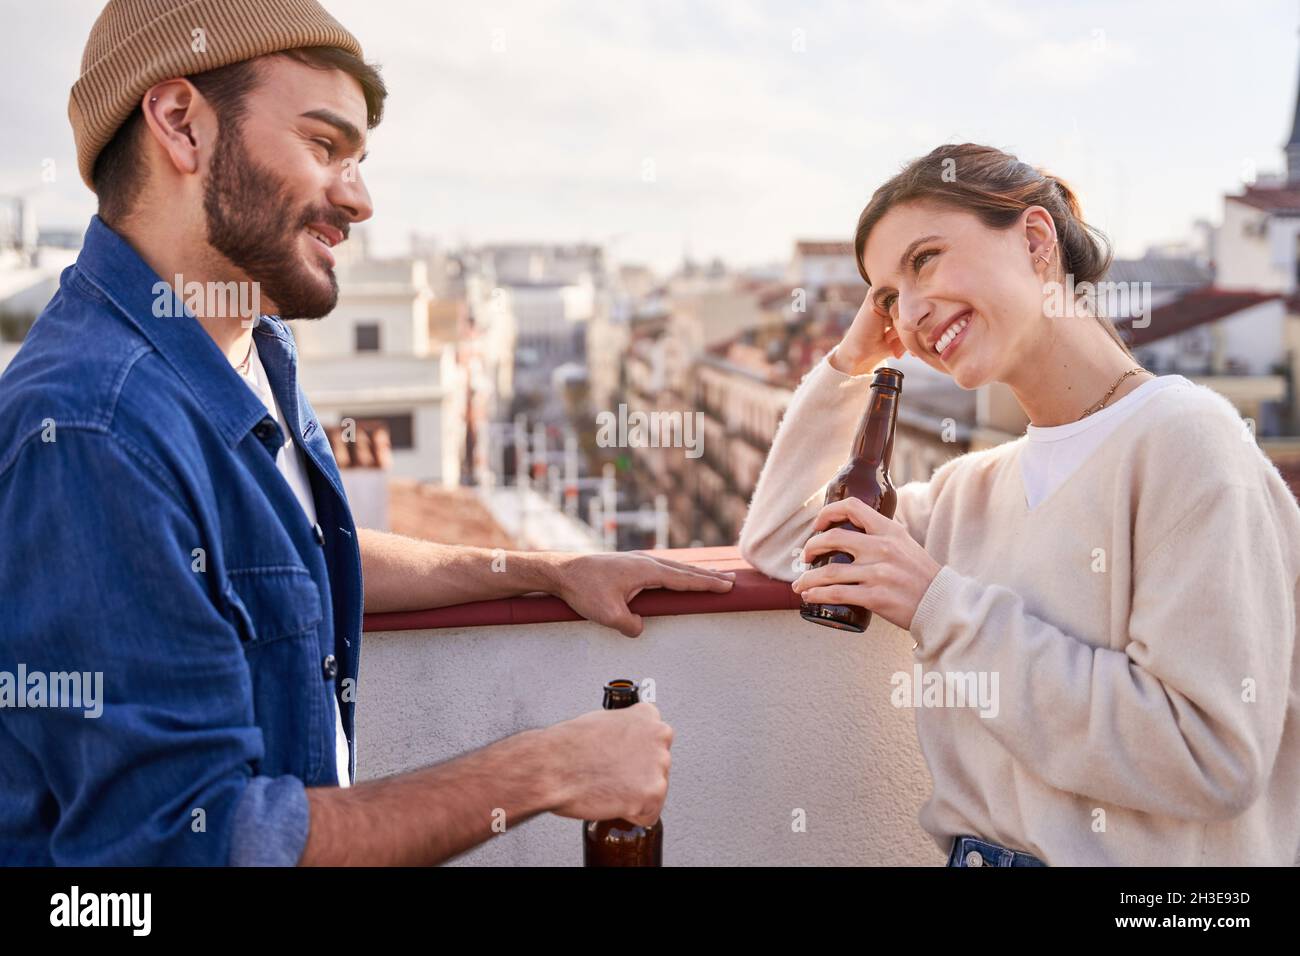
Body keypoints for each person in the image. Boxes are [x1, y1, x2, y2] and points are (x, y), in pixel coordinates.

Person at [0, 0, 735, 866]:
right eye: (323, 145)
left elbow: (286, 556)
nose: (359, 198)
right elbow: (180, 847)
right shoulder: (95, 429)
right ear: (180, 125)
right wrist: (544, 768)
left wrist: (544, 568)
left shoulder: (248, 344)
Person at [739, 142, 1300, 866]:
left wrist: (939, 605)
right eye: (885, 299)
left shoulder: (1187, 441)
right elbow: (785, 536)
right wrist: (852, 364)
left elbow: (1208, 756)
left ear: (1037, 242)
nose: (908, 314)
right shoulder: (968, 490)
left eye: (925, 260)